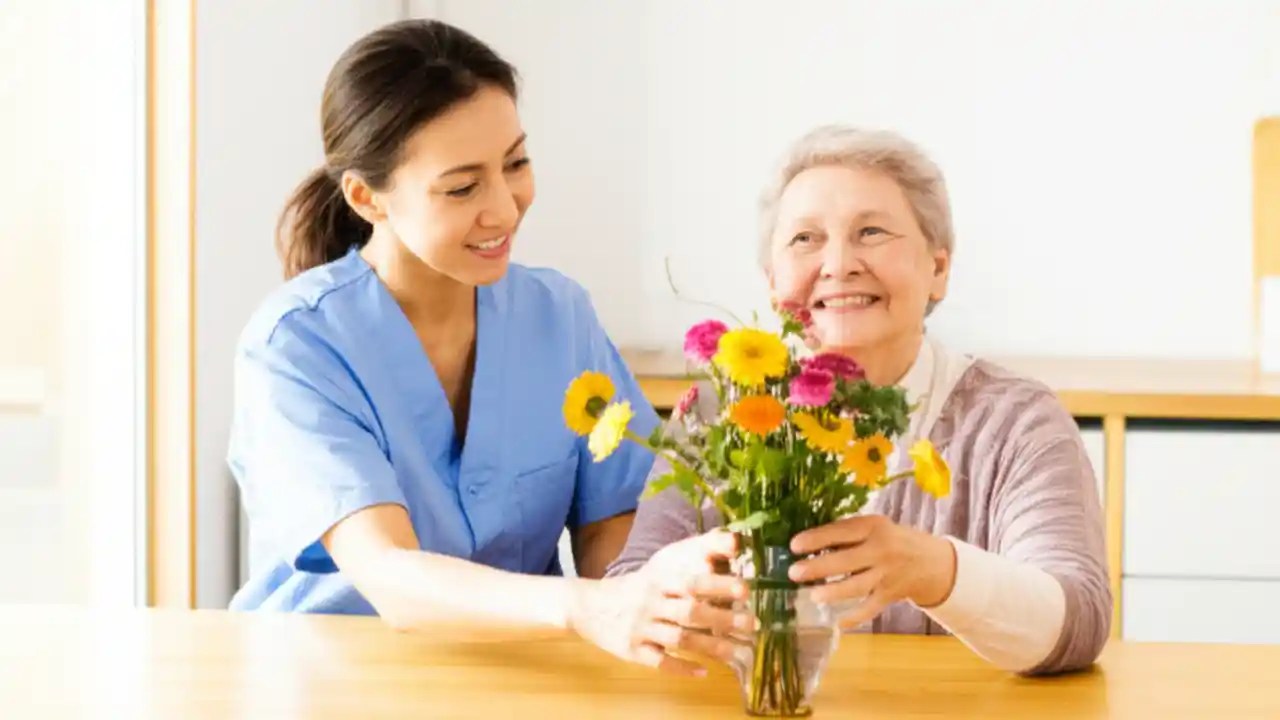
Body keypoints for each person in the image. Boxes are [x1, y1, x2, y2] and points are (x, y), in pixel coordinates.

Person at [600, 125, 1112, 677]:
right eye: (805, 239)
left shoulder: (1015, 423)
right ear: (773, 282)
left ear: (938, 268)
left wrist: (934, 570)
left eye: (871, 232)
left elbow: (1077, 618)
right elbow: (630, 595)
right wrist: (679, 589)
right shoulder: (717, 413)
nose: (838, 263)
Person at [227, 19, 659, 630]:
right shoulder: (297, 346)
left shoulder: (559, 316)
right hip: (334, 682)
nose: (506, 209)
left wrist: (636, 600)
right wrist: (588, 609)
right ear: (366, 199)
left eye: (516, 163)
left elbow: (613, 518)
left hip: (523, 673)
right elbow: (389, 571)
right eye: (462, 188)